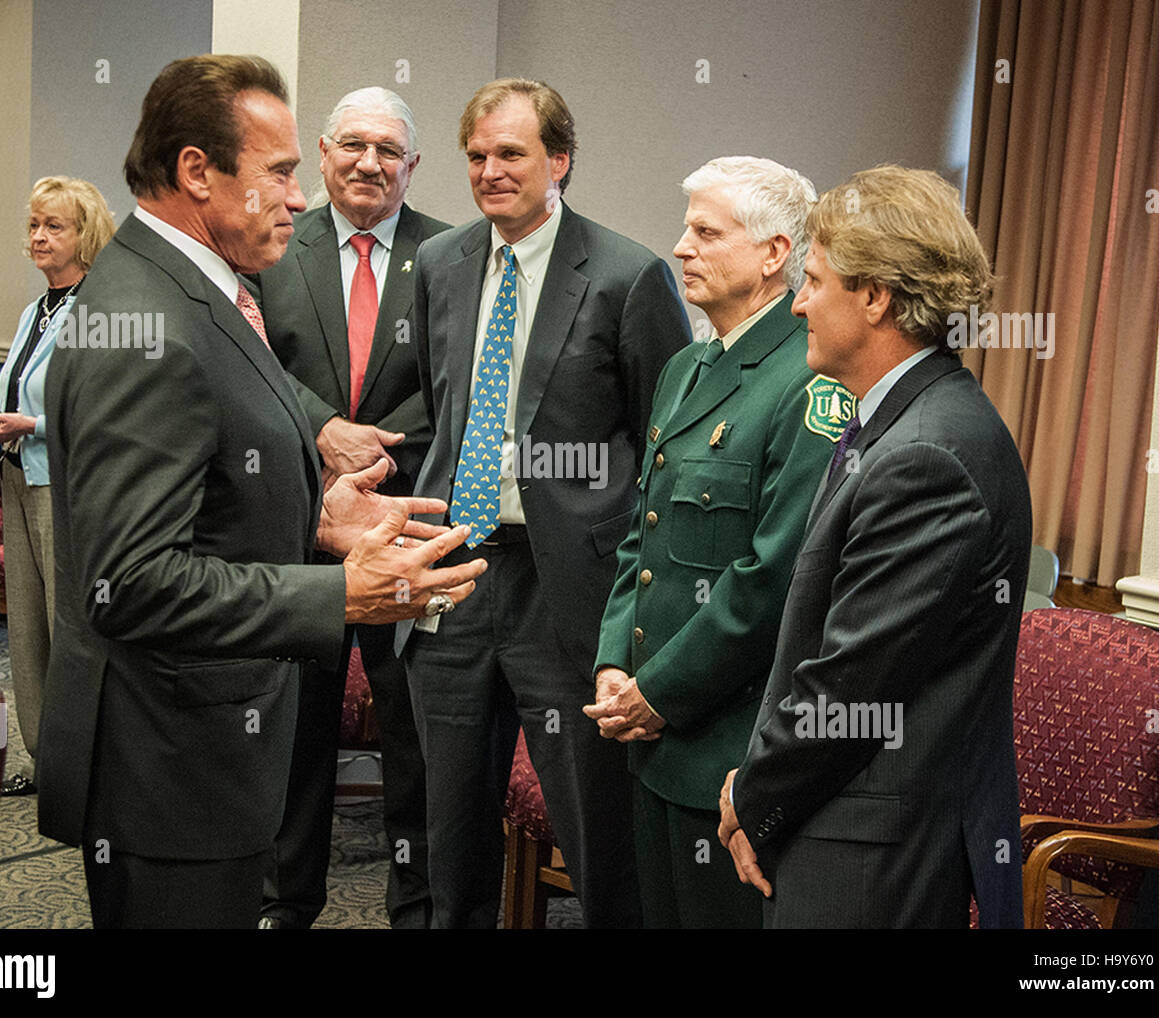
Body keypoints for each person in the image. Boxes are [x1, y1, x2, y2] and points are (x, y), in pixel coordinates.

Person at [36, 54, 486, 929]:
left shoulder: (202, 294)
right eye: (281, 172)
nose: (295, 196)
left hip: (203, 758)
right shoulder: (146, 324)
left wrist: (321, 519)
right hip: (168, 774)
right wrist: (342, 595)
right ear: (197, 172)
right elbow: (130, 581)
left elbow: (204, 493)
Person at [399, 77, 692, 928]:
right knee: (448, 820)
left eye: (512, 154)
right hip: (455, 575)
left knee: (592, 826)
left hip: (568, 590)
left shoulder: (627, 276)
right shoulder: (444, 262)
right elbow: (440, 407)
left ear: (559, 161)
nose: (491, 171)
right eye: (478, 156)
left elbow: (659, 445)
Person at [718, 164, 1031, 929]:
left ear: (876, 296)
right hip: (851, 820)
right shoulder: (907, 420)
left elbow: (851, 688)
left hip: (868, 849)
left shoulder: (927, 454)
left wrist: (748, 795)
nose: (796, 305)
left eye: (813, 282)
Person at [586, 157, 838, 928]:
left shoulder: (810, 380)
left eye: (706, 231)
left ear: (773, 253)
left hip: (726, 742)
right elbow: (644, 534)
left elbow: (772, 575)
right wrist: (612, 661)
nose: (682, 247)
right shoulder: (687, 368)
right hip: (652, 733)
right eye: (685, 228)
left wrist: (658, 692)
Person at [254, 86, 449, 930]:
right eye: (353, 146)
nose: (369, 163)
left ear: (412, 166)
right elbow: (251, 364)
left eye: (389, 151)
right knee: (297, 732)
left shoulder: (453, 254)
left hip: (407, 525)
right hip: (301, 525)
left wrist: (378, 448)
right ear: (324, 153)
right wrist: (324, 428)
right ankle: (285, 902)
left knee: (416, 733)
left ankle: (417, 908)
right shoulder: (268, 248)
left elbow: (461, 382)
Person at [0, 176, 116, 797]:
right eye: (34, 224)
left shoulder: (100, 310)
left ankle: (83, 763)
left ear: (84, 233)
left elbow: (109, 414)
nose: (37, 236)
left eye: (53, 226)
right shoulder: (35, 308)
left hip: (63, 485)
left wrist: (31, 424)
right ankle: (43, 757)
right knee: (28, 626)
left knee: (70, 629)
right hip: (15, 478)